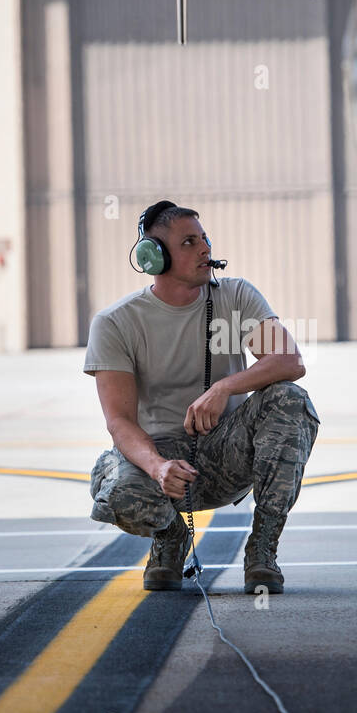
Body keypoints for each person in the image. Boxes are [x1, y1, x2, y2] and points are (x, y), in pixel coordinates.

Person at [83, 201, 320, 594]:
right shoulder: (116, 322)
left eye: (204, 238)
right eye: (189, 243)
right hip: (161, 461)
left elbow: (289, 360)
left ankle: (262, 548)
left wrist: (225, 387)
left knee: (289, 398)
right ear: (154, 258)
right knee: (117, 492)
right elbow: (119, 421)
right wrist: (158, 468)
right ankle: (171, 537)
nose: (205, 249)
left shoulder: (235, 297)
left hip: (225, 453)